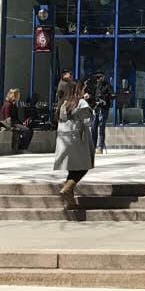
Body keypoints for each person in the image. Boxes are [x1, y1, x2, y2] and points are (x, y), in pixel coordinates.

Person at [53, 80, 94, 209]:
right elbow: (88, 121)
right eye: (83, 88)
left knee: (72, 168)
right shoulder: (80, 103)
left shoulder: (63, 103)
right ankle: (67, 187)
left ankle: (70, 200)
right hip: (76, 139)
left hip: (63, 140)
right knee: (83, 166)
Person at [86, 71, 113, 154]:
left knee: (101, 127)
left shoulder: (107, 86)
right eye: (97, 77)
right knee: (93, 128)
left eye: (100, 77)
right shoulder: (94, 86)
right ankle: (92, 146)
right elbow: (89, 95)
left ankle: (100, 146)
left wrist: (106, 98)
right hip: (95, 109)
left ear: (103, 77)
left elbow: (112, 95)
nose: (99, 79)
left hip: (103, 109)